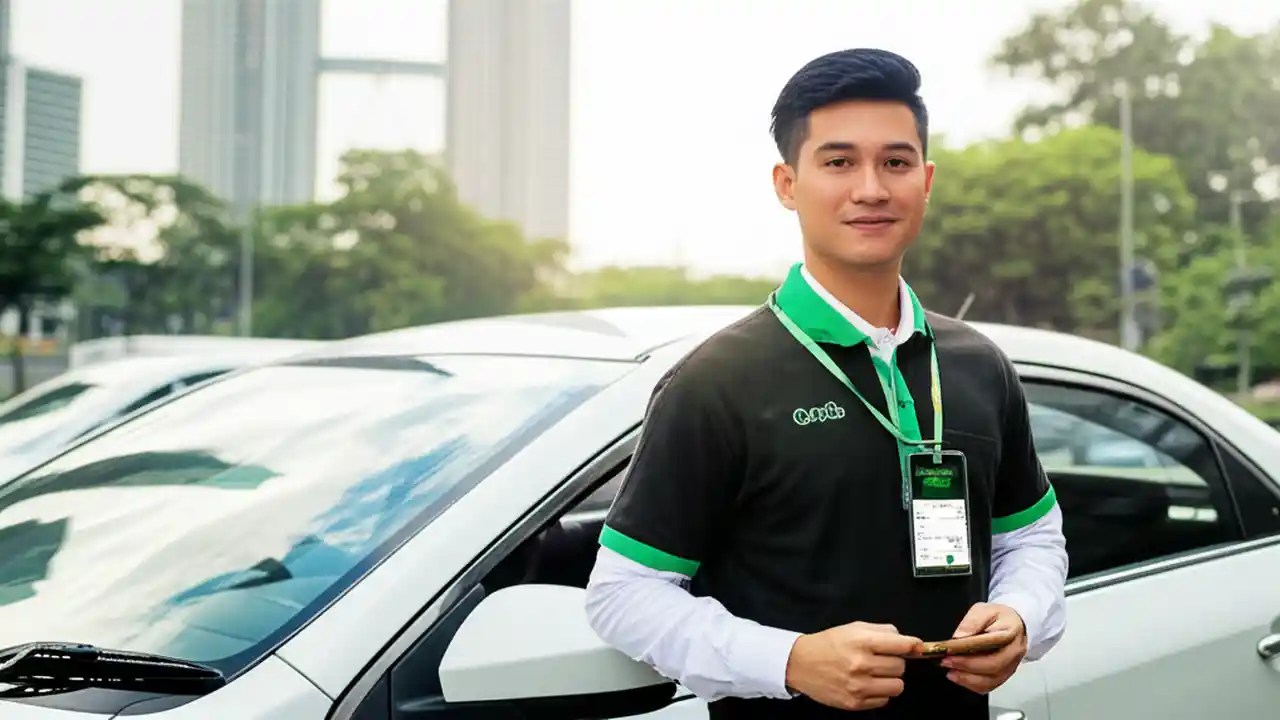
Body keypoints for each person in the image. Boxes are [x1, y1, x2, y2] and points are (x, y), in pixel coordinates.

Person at [583, 48, 1069, 718]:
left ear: (926, 180)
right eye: (839, 162)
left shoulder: (978, 364)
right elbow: (623, 593)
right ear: (787, 184)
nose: (871, 189)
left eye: (895, 162)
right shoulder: (717, 382)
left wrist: (1021, 615)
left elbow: (1030, 537)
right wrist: (790, 661)